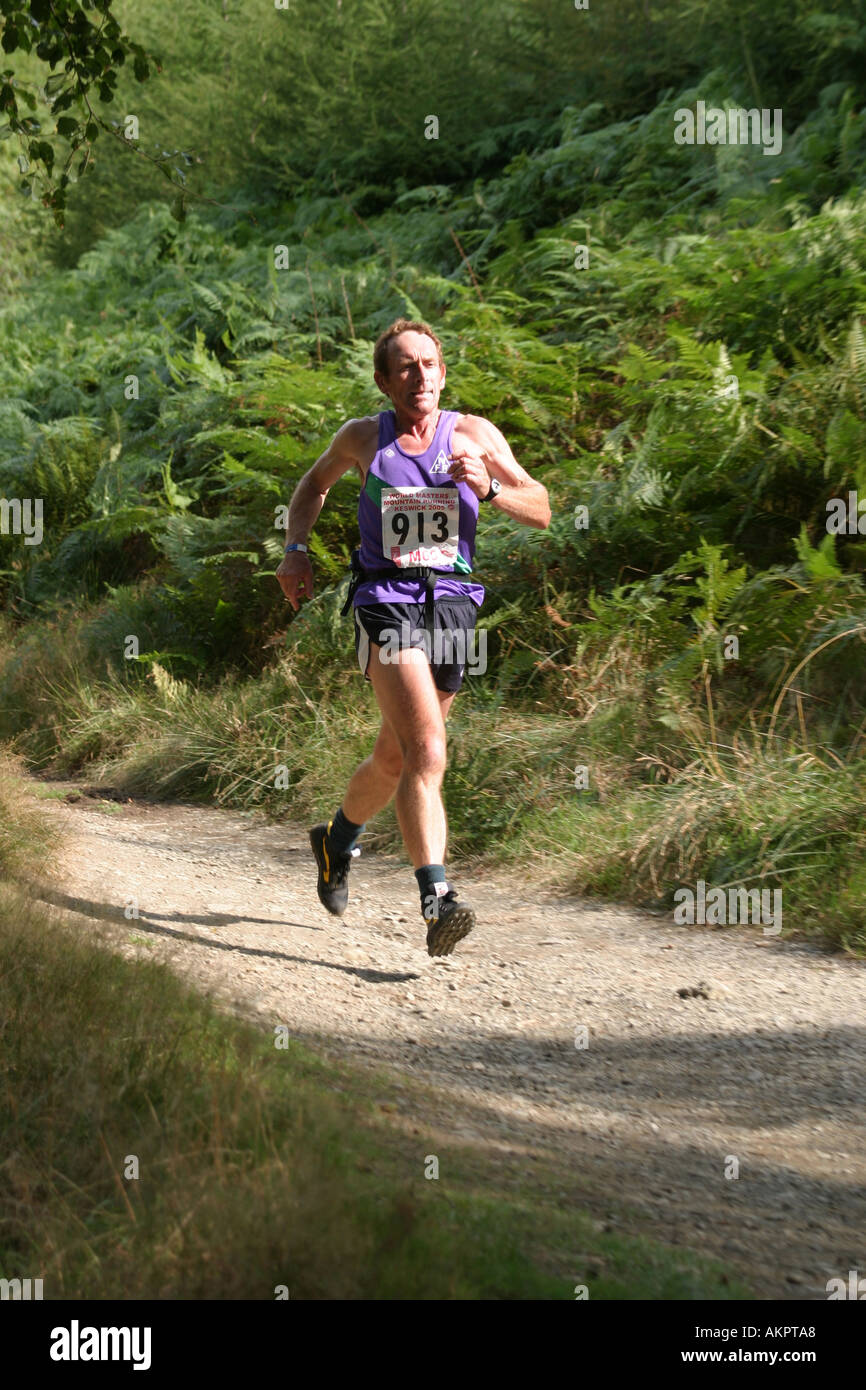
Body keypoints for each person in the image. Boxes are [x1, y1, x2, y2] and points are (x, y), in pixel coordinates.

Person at [276, 318, 550, 955]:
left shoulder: (475, 436)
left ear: (443, 374)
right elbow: (313, 486)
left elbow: (540, 505)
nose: (419, 375)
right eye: (404, 366)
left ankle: (337, 838)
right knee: (428, 749)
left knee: (397, 758)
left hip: (451, 604)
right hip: (384, 601)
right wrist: (295, 549)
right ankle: (438, 899)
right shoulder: (363, 438)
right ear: (383, 379)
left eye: (429, 364)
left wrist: (489, 489)